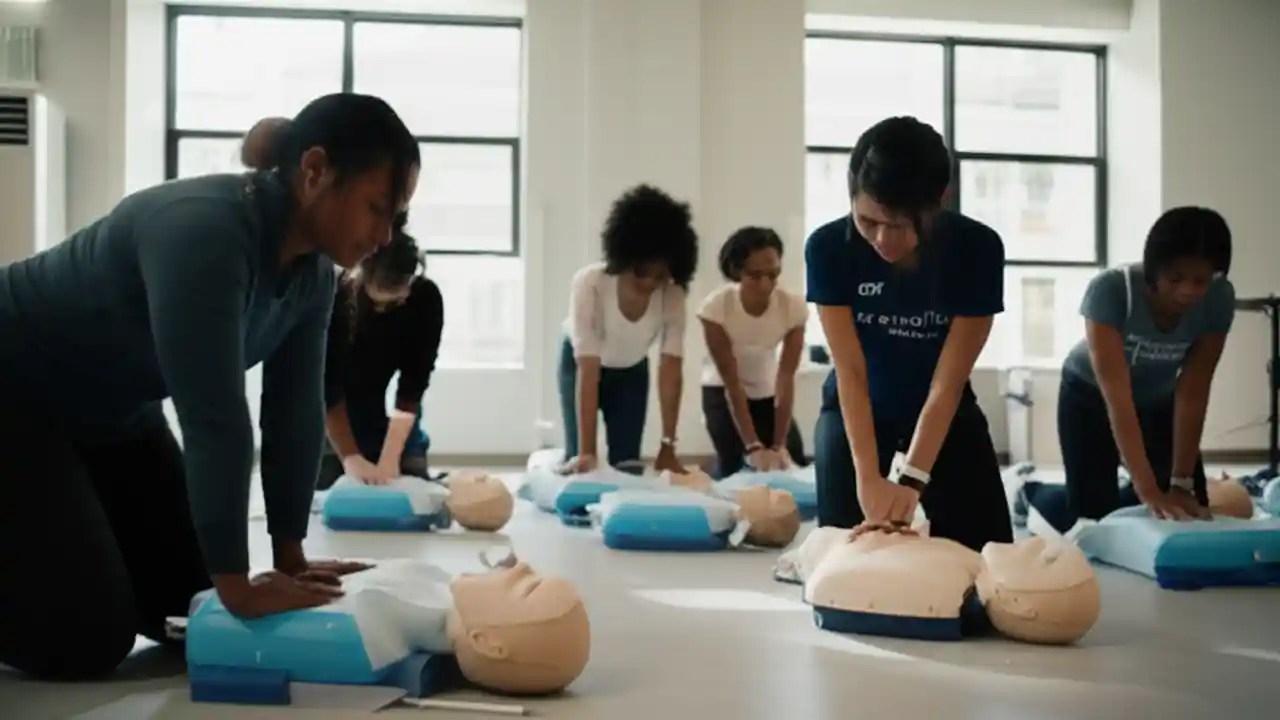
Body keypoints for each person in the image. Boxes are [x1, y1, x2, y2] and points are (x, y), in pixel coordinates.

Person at [0, 93, 420, 680]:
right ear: (316, 172)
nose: (383, 235)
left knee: (188, 605)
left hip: (112, 412)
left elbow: (293, 414)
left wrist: (289, 557)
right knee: (85, 638)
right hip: (15, 392)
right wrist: (239, 589)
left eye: (394, 218)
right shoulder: (205, 230)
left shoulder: (314, 276)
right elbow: (214, 418)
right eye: (377, 208)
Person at [805, 116, 1012, 552]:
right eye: (867, 221)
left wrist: (912, 480)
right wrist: (868, 480)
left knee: (991, 561)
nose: (882, 239)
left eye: (898, 224)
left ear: (940, 200)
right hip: (858, 408)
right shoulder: (828, 248)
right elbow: (850, 371)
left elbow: (947, 382)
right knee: (846, 553)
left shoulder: (977, 249)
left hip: (942, 408)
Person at [1021, 207, 1234, 534]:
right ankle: (1032, 492)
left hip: (1158, 399)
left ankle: (1133, 491)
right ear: (1154, 271)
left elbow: (1194, 389)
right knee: (1093, 520)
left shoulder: (1219, 298)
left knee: (1188, 505)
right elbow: (1117, 397)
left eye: (1200, 281)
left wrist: (1180, 481)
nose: (1188, 291)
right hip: (1090, 396)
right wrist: (1147, 489)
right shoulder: (1111, 291)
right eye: (1175, 279)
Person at [558, 184, 698, 475]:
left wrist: (668, 447)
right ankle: (569, 454)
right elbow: (588, 367)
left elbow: (671, 372)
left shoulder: (672, 296)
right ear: (624, 259)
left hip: (631, 370)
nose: (649, 283)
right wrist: (586, 452)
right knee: (581, 463)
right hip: (580, 366)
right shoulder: (591, 283)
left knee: (628, 466)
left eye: (659, 276)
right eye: (640, 272)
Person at [317, 216, 444, 489]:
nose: (383, 311)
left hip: (381, 412)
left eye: (394, 303)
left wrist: (390, 458)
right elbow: (327, 385)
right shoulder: (337, 296)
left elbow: (413, 385)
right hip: (332, 410)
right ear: (361, 277)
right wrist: (351, 458)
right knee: (332, 483)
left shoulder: (425, 300)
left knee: (410, 481)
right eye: (377, 304)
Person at [698, 226, 808, 477]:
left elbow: (786, 377)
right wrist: (753, 445)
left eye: (773, 274)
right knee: (737, 466)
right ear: (737, 272)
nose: (766, 284)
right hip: (721, 390)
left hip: (767, 390)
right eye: (756, 276)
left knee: (792, 460)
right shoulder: (716, 309)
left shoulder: (791, 307)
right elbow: (732, 384)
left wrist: (779, 445)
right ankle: (712, 470)